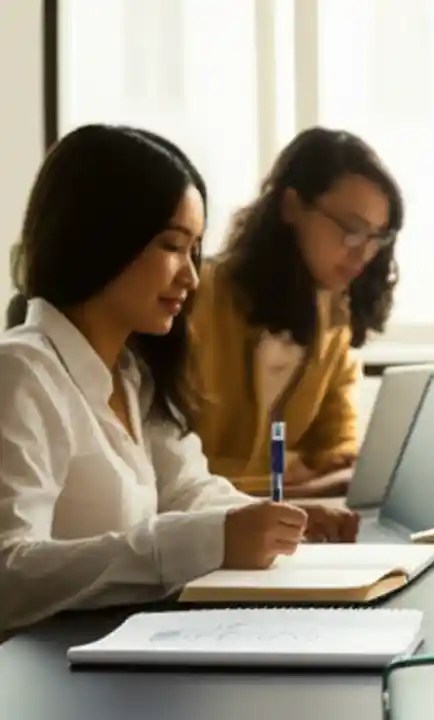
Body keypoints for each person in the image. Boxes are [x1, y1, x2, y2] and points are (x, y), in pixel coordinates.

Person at [0, 125, 357, 635]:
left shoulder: (131, 374)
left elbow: (189, 489)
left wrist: (270, 521)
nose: (191, 277)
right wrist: (204, 541)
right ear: (101, 238)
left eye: (195, 251)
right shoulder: (19, 374)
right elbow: (8, 574)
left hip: (121, 657)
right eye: (173, 246)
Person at [188, 128, 403, 498]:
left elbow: (338, 450)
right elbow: (169, 470)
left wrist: (302, 472)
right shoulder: (196, 300)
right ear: (291, 207)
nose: (363, 254)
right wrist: (285, 472)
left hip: (277, 522)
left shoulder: (333, 320)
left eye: (377, 237)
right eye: (352, 229)